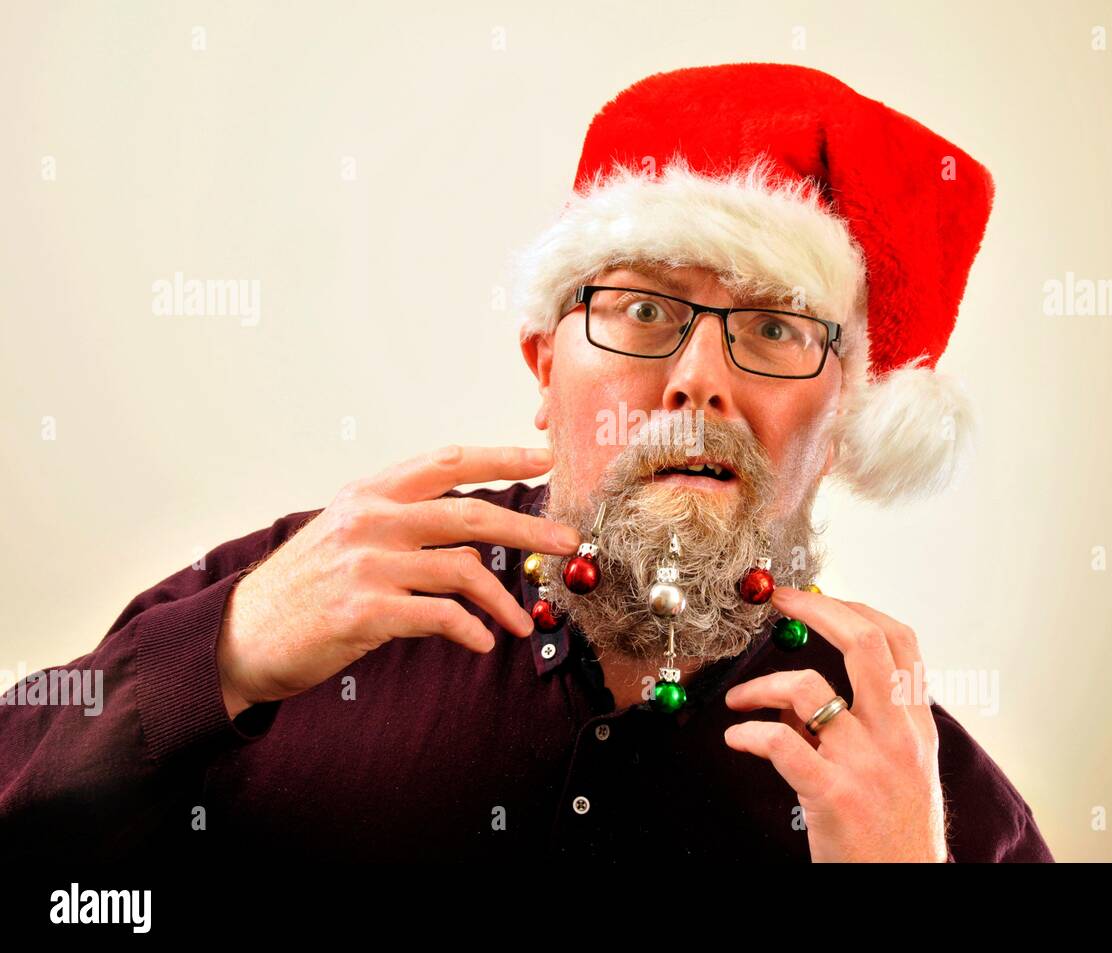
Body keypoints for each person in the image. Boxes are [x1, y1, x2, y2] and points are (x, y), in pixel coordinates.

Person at [0, 63, 1052, 862]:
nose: (698, 381)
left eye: (776, 328)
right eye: (642, 308)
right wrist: (221, 655)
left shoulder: (929, 788)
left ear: (842, 421)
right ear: (545, 369)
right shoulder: (306, 587)